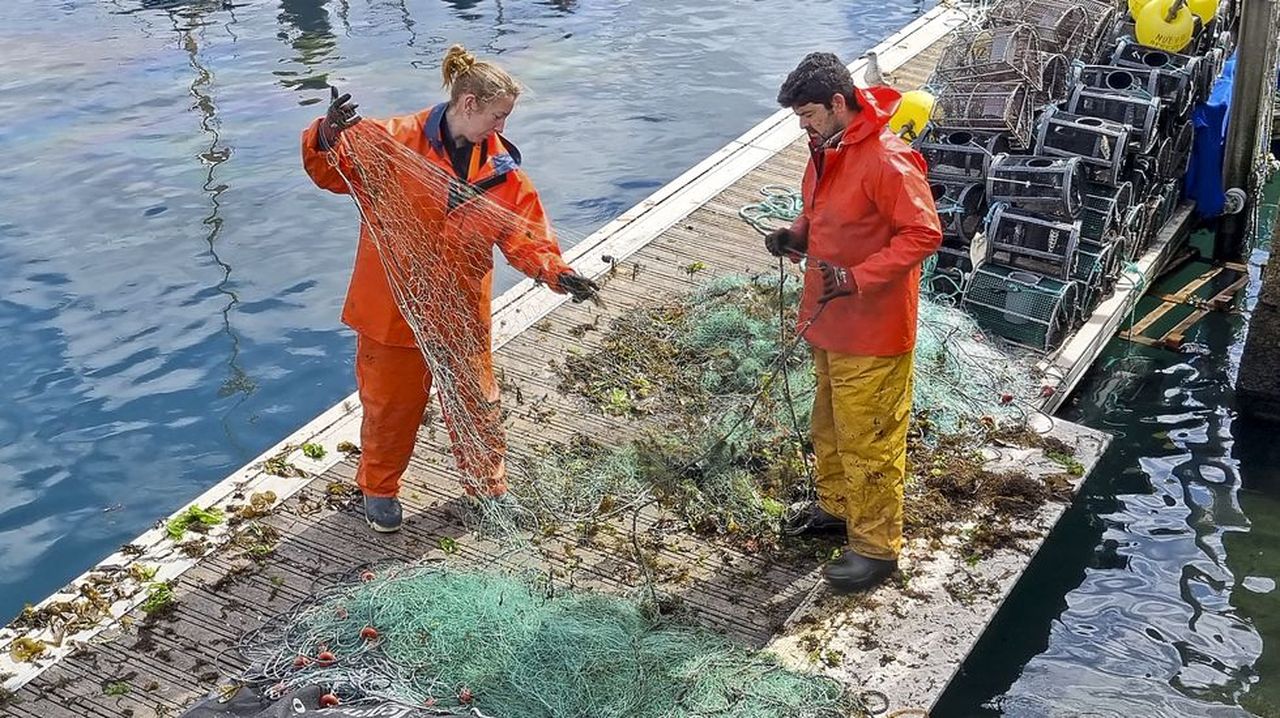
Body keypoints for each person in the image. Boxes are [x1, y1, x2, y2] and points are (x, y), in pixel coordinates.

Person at [301, 44, 599, 533]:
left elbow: (525, 235)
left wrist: (557, 273)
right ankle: (379, 488)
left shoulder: (503, 172)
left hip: (460, 309)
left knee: (478, 403)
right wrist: (327, 131)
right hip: (391, 308)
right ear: (468, 104)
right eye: (497, 116)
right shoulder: (390, 140)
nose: (501, 127)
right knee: (390, 407)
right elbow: (330, 171)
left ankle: (489, 489)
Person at [765, 52, 942, 592]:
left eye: (809, 115)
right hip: (828, 320)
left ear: (838, 103)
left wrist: (860, 276)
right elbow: (819, 211)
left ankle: (877, 548)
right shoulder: (826, 148)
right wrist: (796, 235)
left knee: (870, 438)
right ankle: (837, 507)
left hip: (873, 329)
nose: (803, 125)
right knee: (829, 426)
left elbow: (924, 234)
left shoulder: (889, 158)